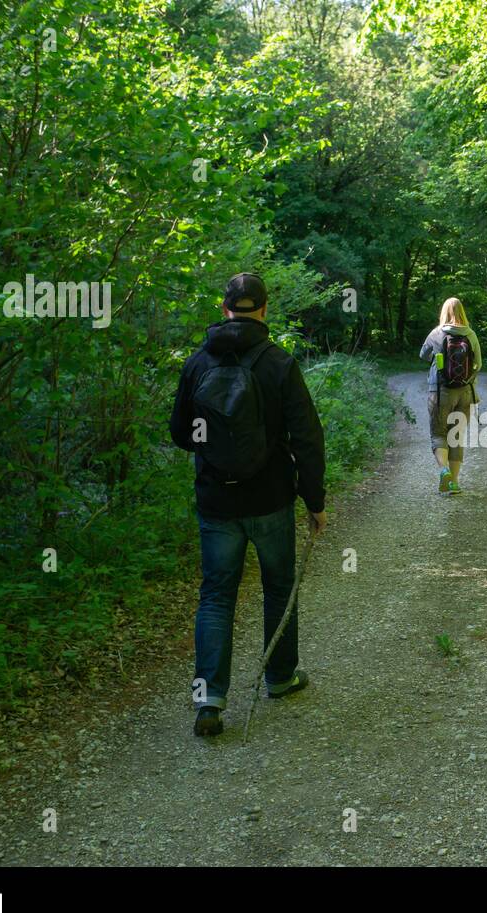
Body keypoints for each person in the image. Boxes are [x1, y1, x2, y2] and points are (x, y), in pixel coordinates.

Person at [169, 272, 327, 737]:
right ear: (263, 309)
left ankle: (209, 700)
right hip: (271, 499)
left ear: (224, 309)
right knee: (279, 587)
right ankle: (279, 678)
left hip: (217, 501)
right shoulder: (278, 362)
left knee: (217, 596)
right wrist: (314, 501)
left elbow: (180, 434)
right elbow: (307, 437)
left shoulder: (198, 364)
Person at [419, 297, 483, 494]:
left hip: (440, 391)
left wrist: (437, 360)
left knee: (439, 434)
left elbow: (422, 355)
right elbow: (478, 364)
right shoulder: (470, 334)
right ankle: (454, 483)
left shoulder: (436, 333)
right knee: (456, 437)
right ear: (462, 312)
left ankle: (444, 470)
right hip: (465, 393)